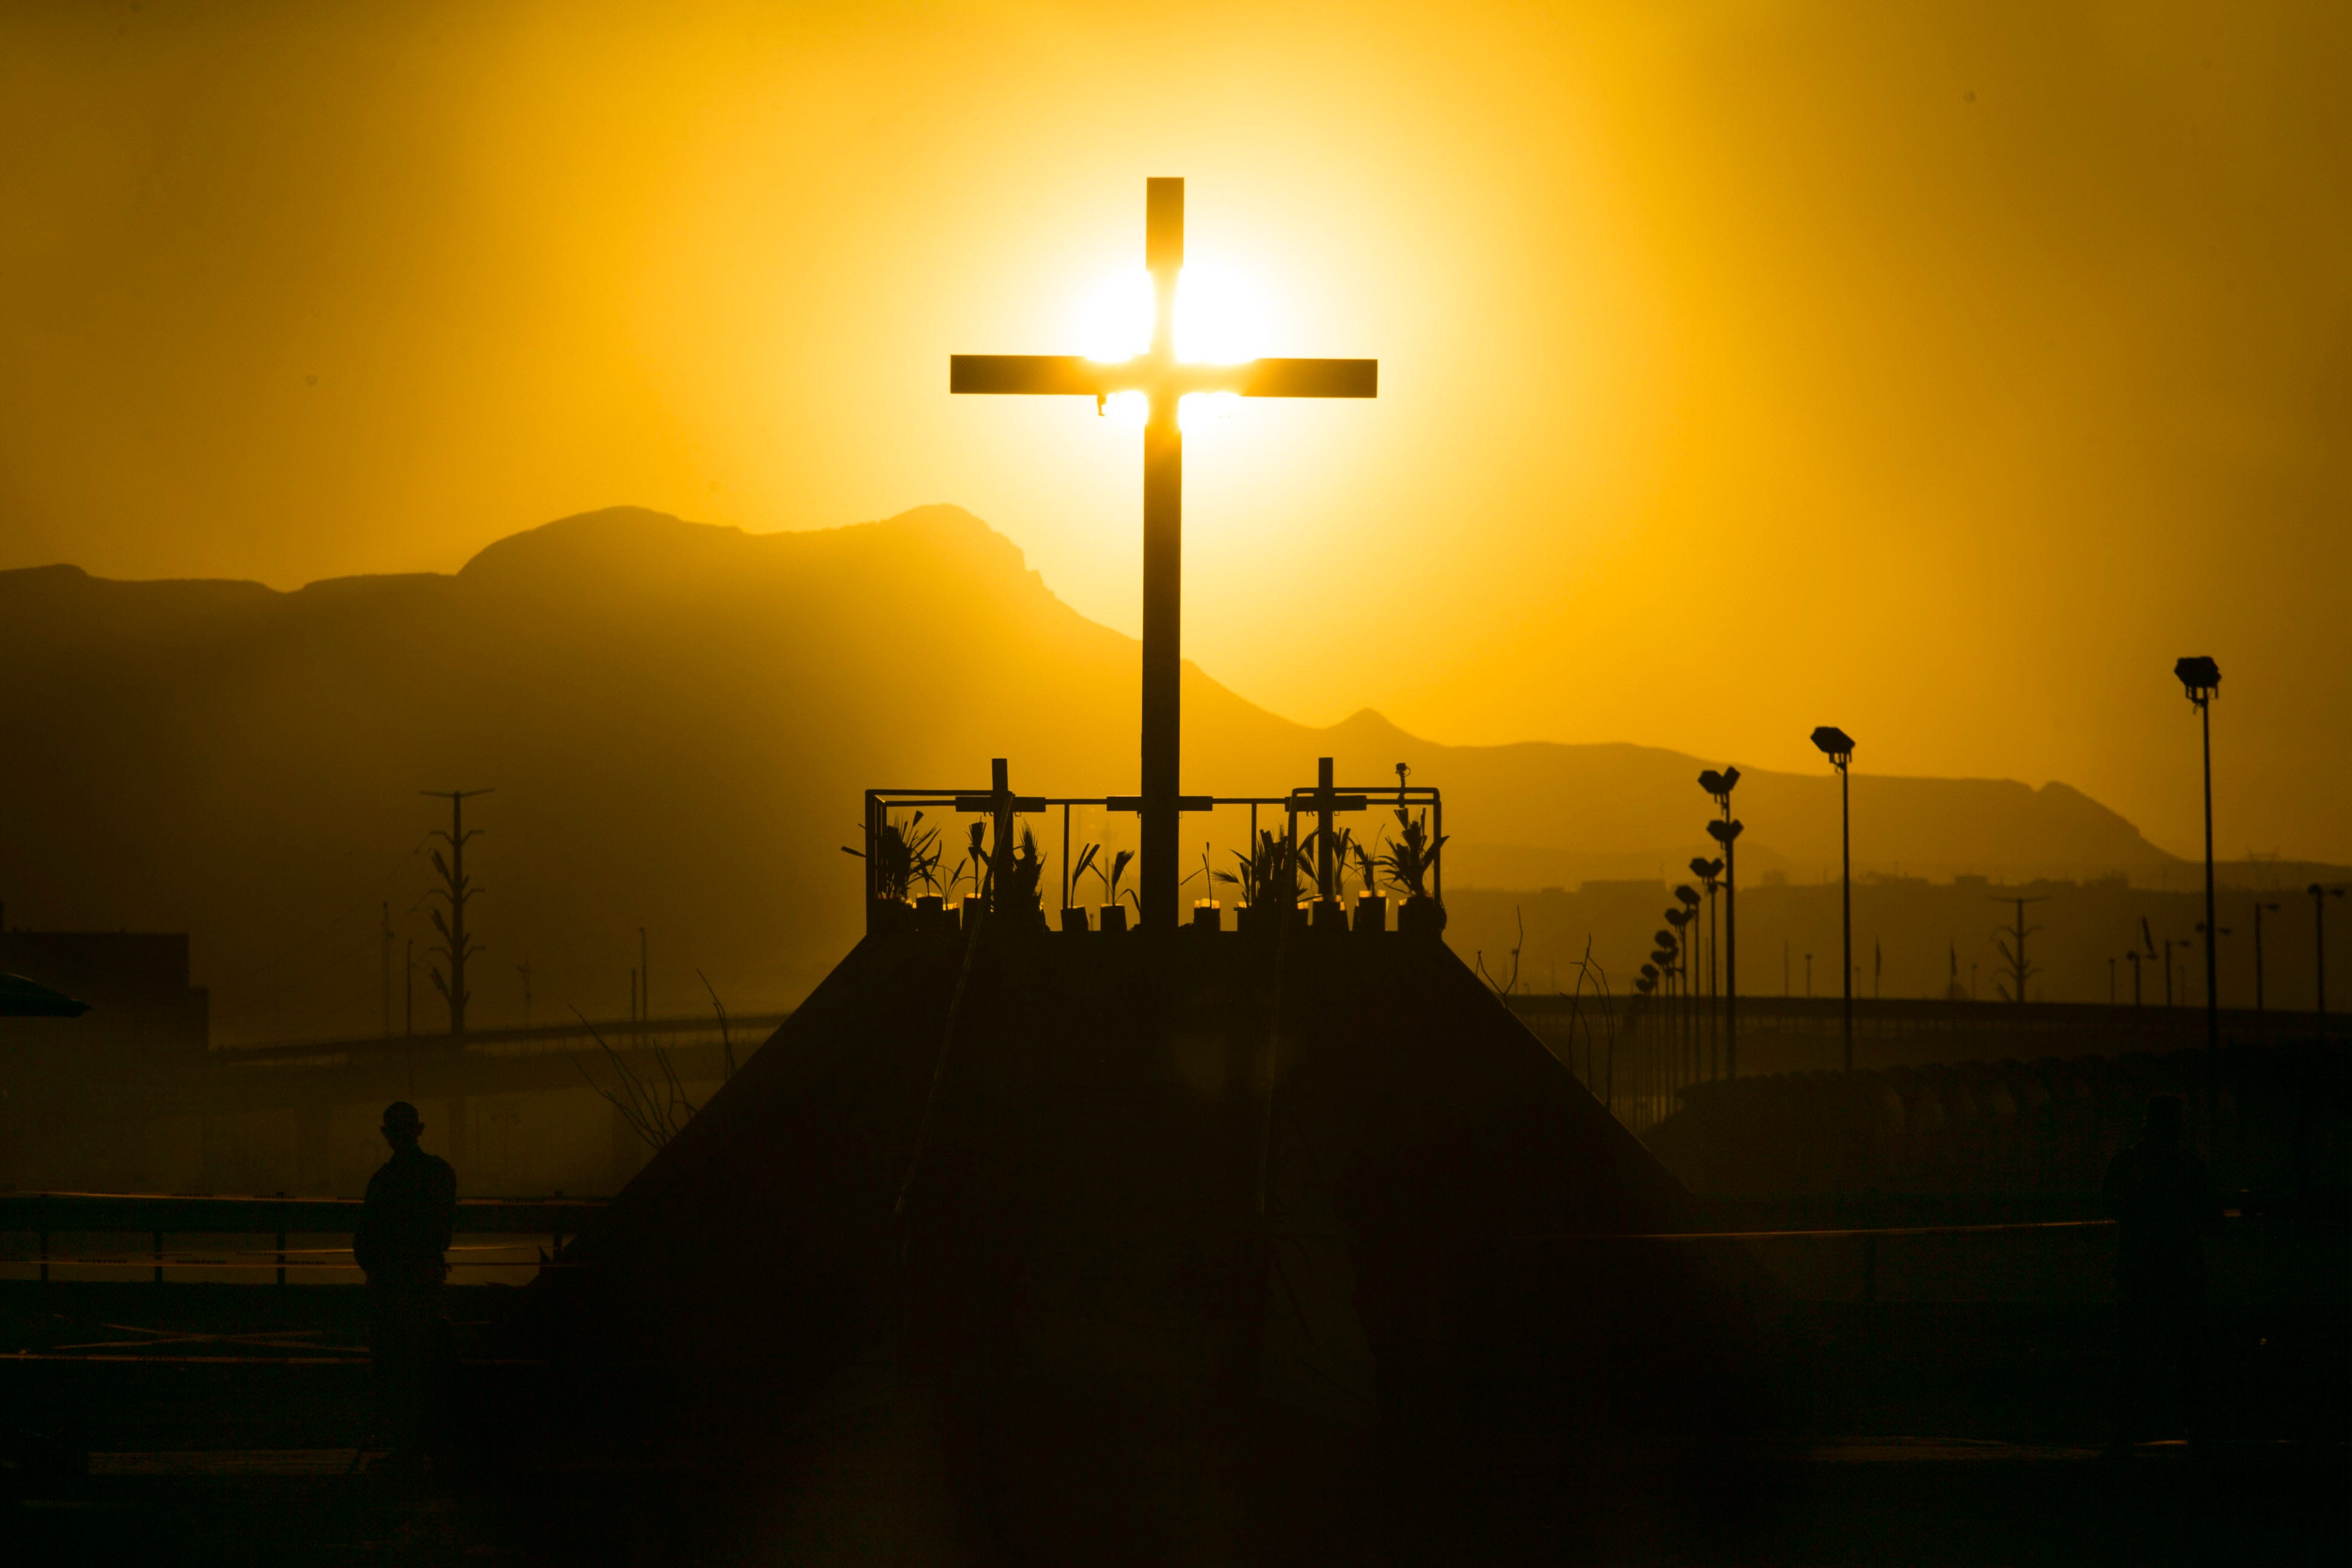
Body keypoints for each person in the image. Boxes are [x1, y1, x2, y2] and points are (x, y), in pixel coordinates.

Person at [2102, 1094, 2213, 1454]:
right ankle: (2198, 1431)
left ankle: (2124, 1430)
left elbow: (2112, 1206)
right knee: (2189, 1358)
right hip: (2181, 1274)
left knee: (2133, 1356)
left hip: (2138, 1272)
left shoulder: (2126, 1165)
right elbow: (2210, 1216)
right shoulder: (2190, 1167)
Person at [353, 1100, 458, 1465]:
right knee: (430, 1367)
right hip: (425, 1285)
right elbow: (443, 1233)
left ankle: (407, 1447)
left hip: (390, 1288)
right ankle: (437, 1443)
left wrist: (381, 1272)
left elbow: (364, 1241)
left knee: (395, 1369)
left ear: (387, 1135)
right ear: (420, 1130)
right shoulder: (440, 1174)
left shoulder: (383, 1181)